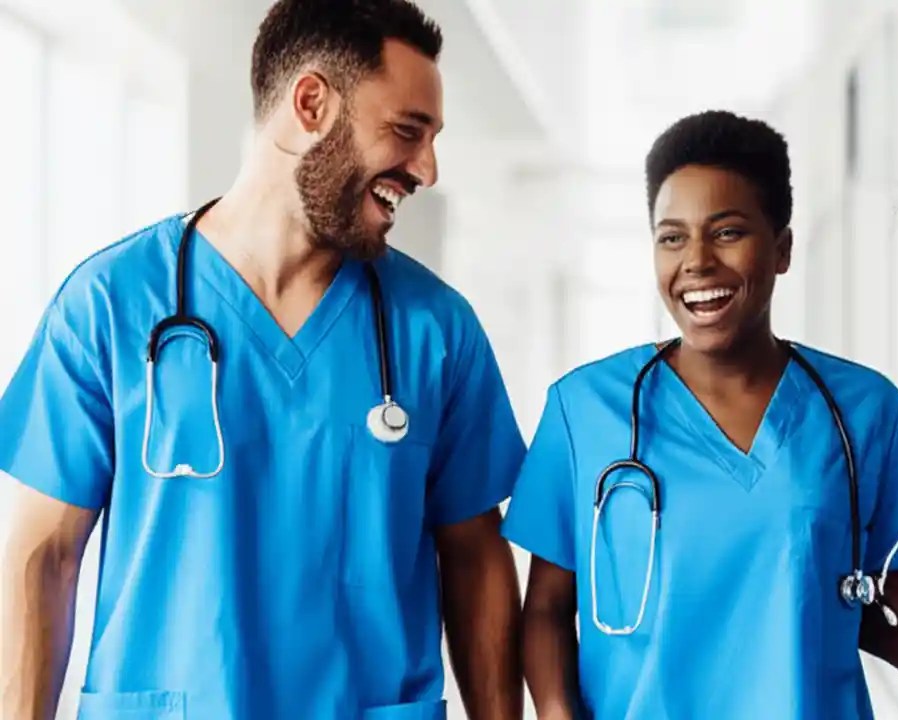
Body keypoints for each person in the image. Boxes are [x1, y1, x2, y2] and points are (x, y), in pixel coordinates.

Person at [0, 1, 525, 718]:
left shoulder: (436, 329)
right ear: (311, 103)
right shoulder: (109, 306)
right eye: (407, 131)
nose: (426, 169)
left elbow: (476, 557)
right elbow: (44, 557)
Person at [501, 110, 898, 719]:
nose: (697, 261)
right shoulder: (584, 409)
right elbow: (546, 608)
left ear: (781, 248)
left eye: (727, 232)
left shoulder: (864, 411)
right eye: (672, 236)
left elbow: (887, 611)